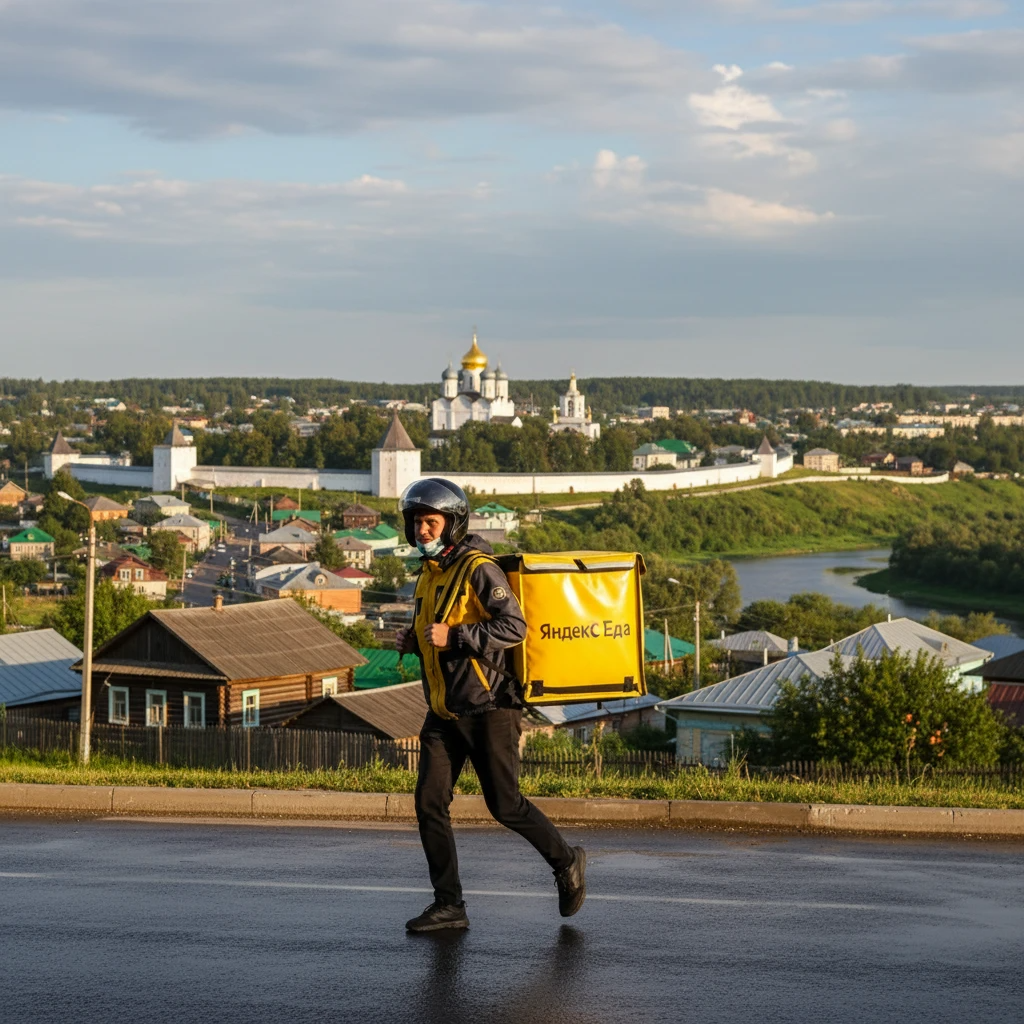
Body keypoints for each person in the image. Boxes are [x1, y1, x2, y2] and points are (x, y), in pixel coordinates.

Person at [396, 477, 586, 933]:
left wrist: (456, 637)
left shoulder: (478, 569)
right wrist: (415, 642)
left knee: (505, 805)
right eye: (417, 522)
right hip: (444, 710)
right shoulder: (430, 573)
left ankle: (566, 863)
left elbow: (514, 627)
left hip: (490, 707)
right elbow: (433, 632)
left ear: (453, 524)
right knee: (429, 803)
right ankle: (449, 905)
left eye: (431, 521)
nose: (422, 529)